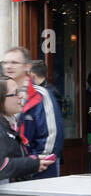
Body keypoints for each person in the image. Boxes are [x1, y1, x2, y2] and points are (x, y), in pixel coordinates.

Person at [3, 47, 61, 178]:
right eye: (5, 63)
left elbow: (51, 136)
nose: (8, 66)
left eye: (14, 62)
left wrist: (33, 163)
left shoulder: (41, 94)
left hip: (38, 170)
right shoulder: (3, 94)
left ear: (27, 66)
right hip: (12, 171)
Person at [0, 77, 52, 182]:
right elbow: (2, 166)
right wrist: (33, 163)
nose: (21, 96)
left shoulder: (10, 124)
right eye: (15, 93)